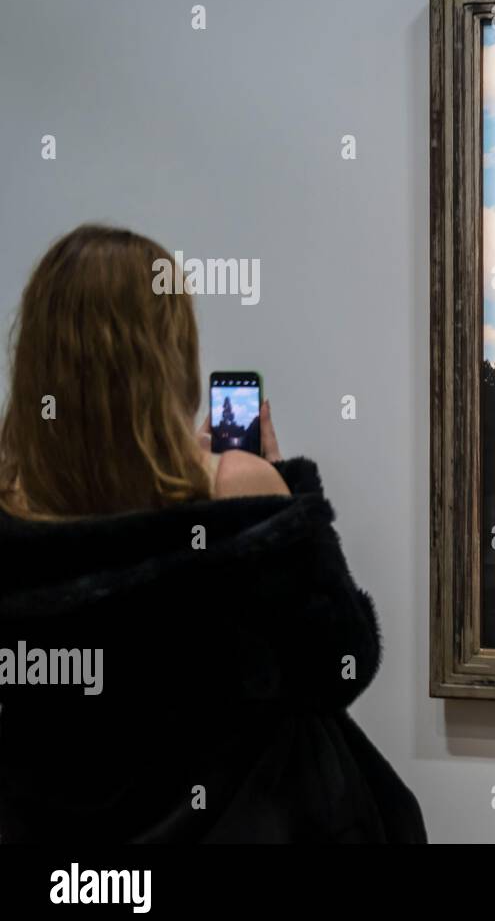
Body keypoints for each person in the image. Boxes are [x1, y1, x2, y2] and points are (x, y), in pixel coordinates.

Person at [0, 224, 425, 842]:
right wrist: (278, 492)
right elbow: (340, 664)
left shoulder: (15, 510)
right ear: (170, 359)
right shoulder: (237, 488)